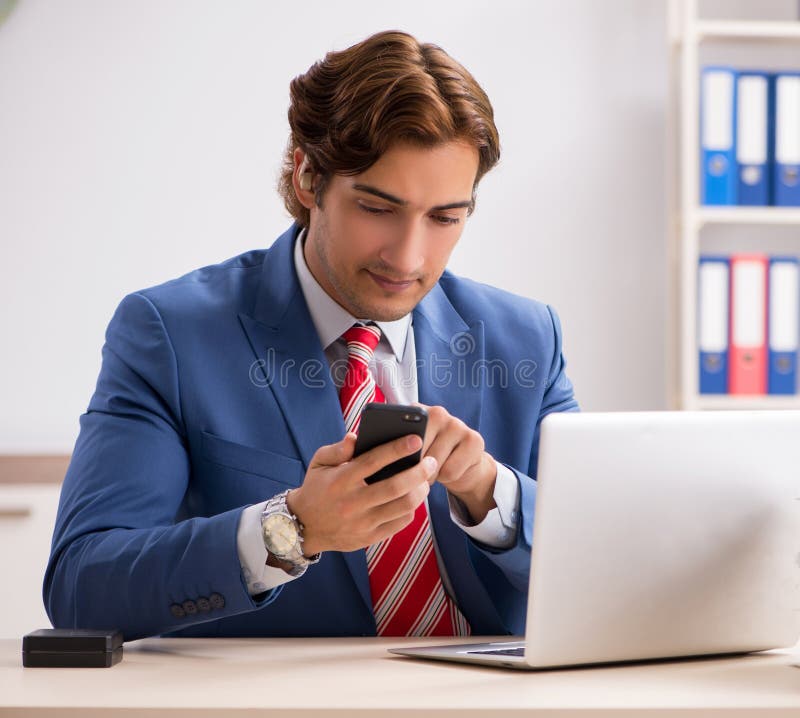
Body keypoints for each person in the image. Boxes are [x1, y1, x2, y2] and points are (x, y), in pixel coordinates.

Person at [44, 30, 578, 641]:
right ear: (306, 176)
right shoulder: (170, 335)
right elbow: (82, 587)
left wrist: (491, 495)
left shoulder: (527, 338)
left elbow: (606, 568)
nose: (408, 257)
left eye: (444, 218)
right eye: (378, 209)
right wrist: (292, 530)